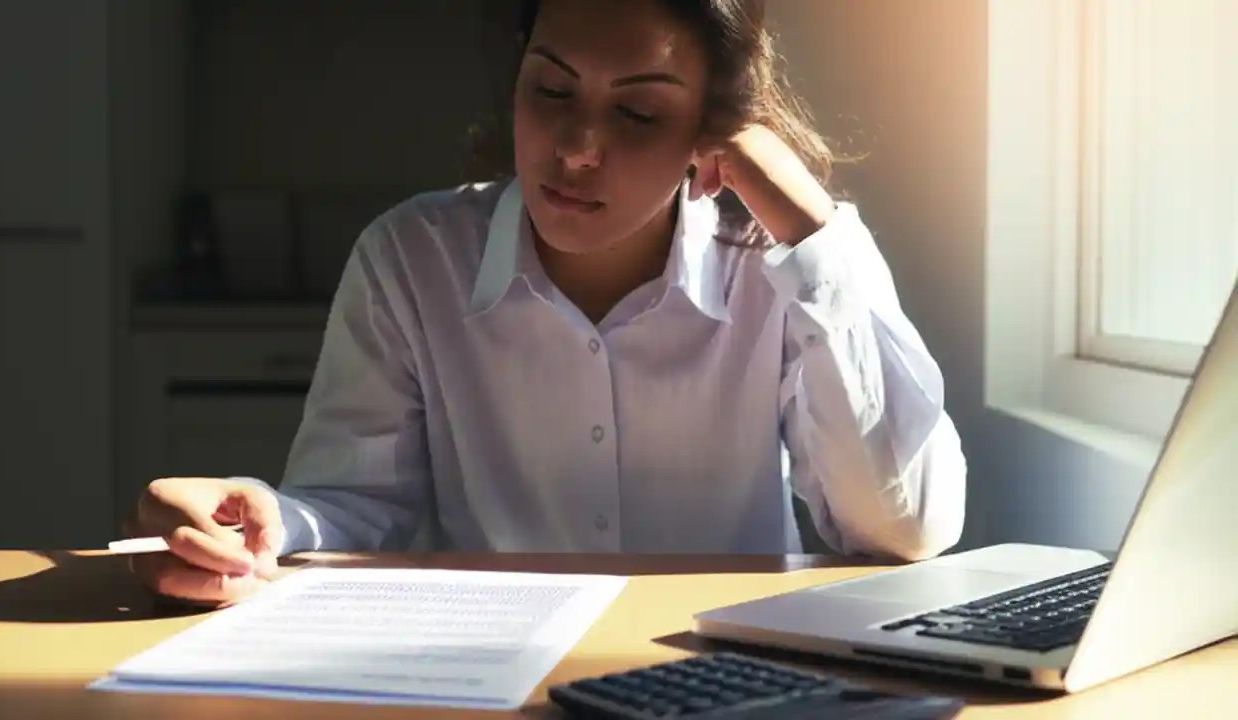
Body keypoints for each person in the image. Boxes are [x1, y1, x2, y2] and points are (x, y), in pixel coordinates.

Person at [129, 0, 966, 605]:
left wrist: (811, 230)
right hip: (482, 685)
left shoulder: (771, 268)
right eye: (551, 91)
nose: (574, 147)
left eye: (637, 111)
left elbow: (906, 530)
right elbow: (360, 503)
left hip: (726, 687)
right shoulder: (411, 259)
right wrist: (262, 520)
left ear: (708, 132)